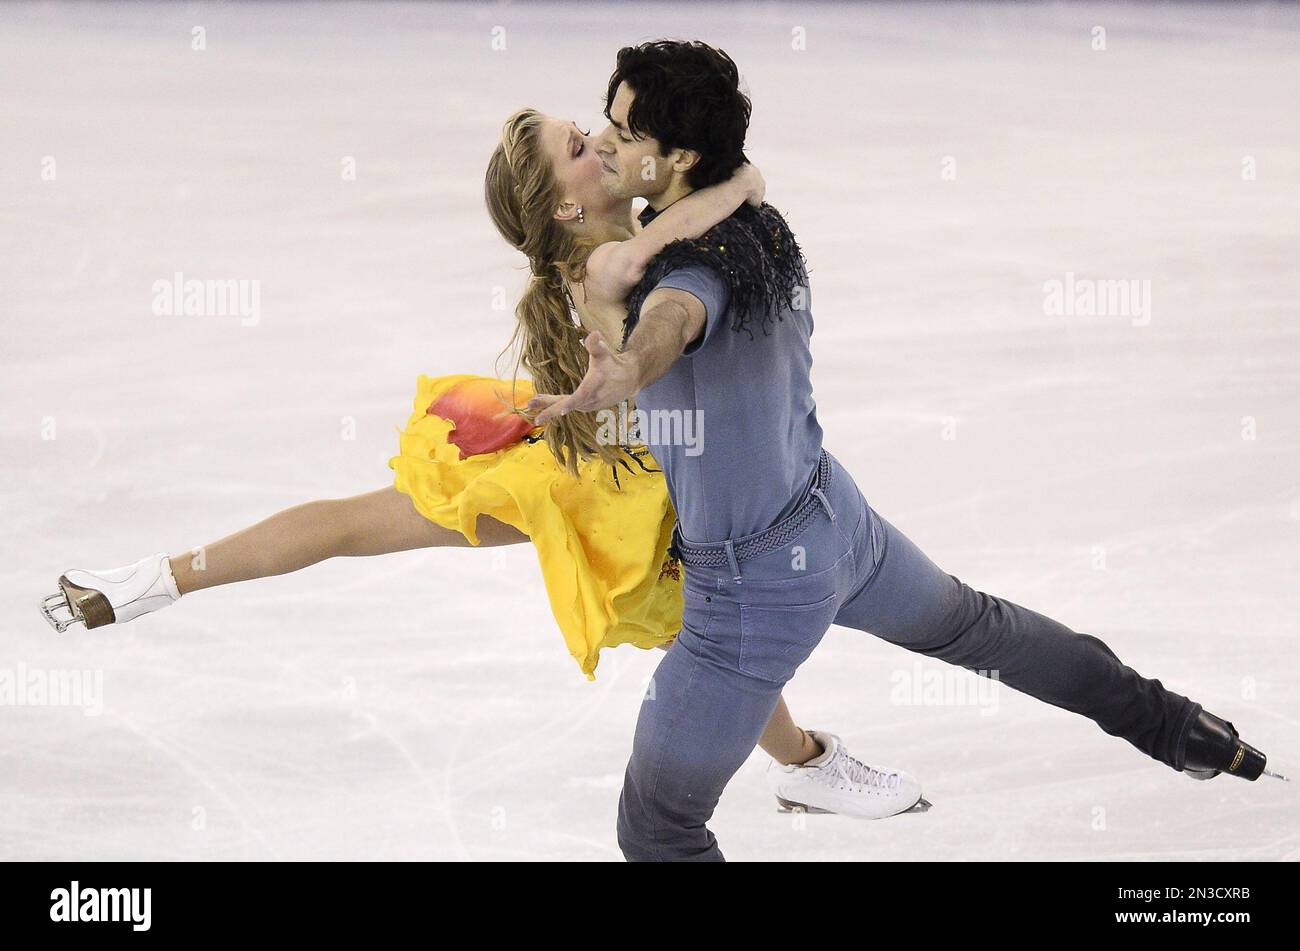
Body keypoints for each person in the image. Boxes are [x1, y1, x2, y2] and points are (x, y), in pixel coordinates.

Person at [39, 115, 924, 822]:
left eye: (586, 129)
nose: (599, 140)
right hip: (612, 491)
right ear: (566, 211)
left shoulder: (620, 247)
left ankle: (154, 580)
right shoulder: (619, 265)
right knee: (722, 625)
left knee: (362, 523)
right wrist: (737, 180)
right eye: (580, 147)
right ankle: (807, 764)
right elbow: (713, 224)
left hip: (593, 464)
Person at [531, 40, 1279, 862]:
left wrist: (632, 363)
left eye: (623, 130)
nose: (605, 140)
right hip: (837, 526)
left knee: (657, 826)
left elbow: (673, 315)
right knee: (983, 628)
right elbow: (697, 230)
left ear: (677, 157)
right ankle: (1177, 726)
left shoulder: (678, 272)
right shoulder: (751, 222)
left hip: (751, 589)